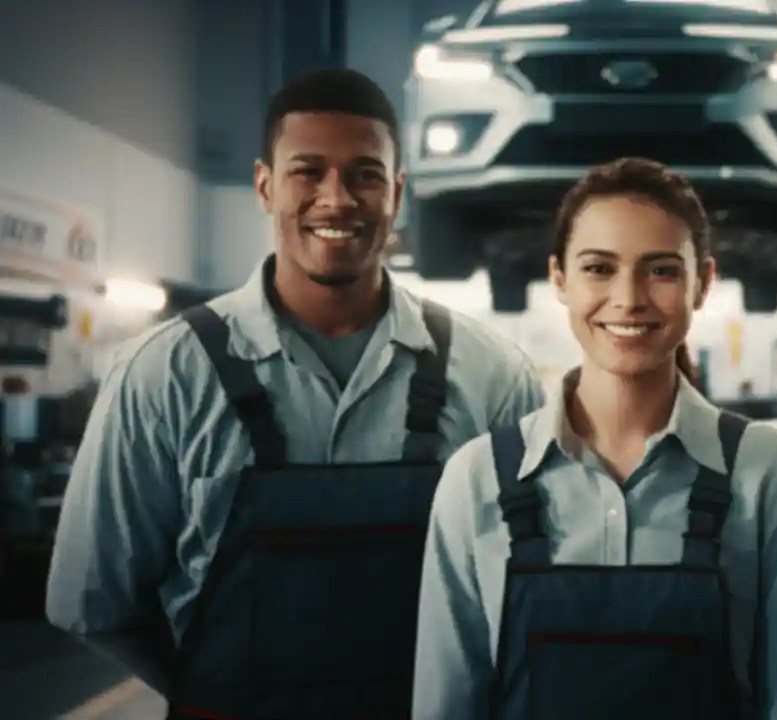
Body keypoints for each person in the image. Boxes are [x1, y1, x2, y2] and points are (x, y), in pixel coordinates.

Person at [45, 68, 545, 718]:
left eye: (365, 174)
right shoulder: (164, 374)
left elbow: (533, 589)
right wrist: (209, 697)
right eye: (308, 171)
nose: (336, 198)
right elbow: (92, 600)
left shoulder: (493, 375)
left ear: (396, 193)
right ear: (264, 186)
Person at [411, 157, 777, 719]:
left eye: (661, 270)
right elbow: (445, 703)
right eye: (599, 268)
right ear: (560, 280)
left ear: (703, 283)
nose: (629, 297)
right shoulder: (479, 481)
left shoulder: (769, 473)